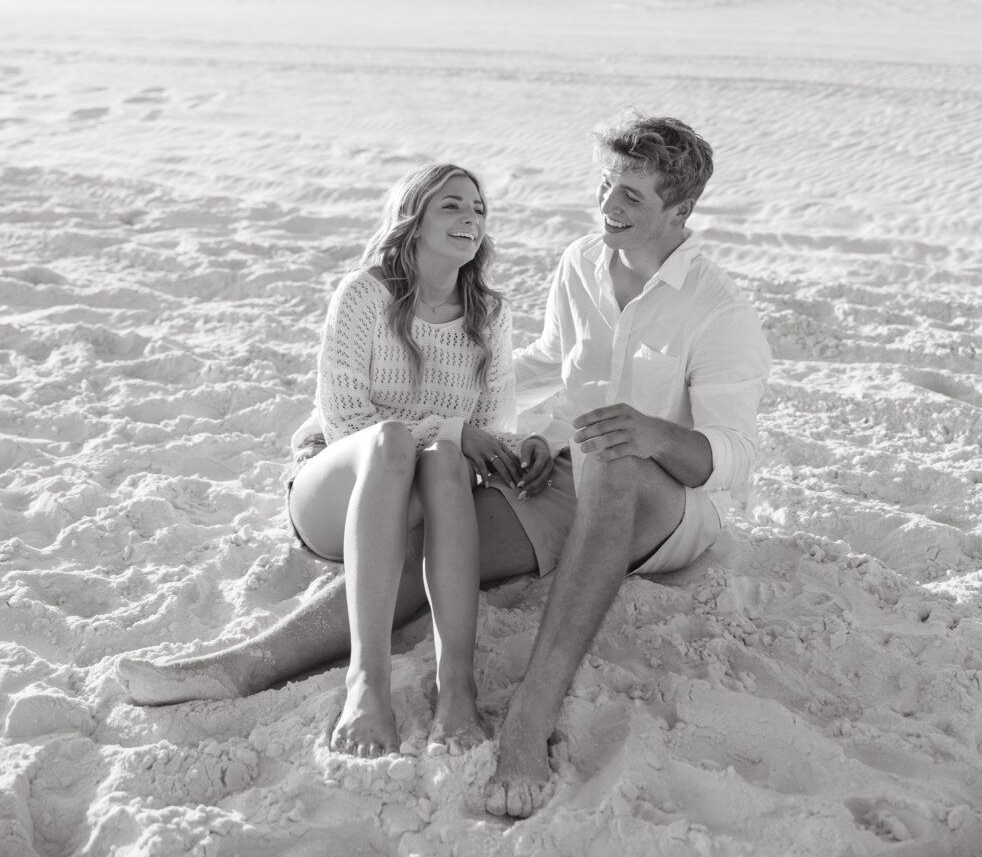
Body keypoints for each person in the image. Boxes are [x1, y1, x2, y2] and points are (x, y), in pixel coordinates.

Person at [116, 161, 560, 757]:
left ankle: (456, 688)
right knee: (393, 442)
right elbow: (347, 421)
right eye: (452, 205)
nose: (470, 218)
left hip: (427, 495)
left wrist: (520, 445)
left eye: (479, 209)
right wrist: (451, 428)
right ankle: (366, 684)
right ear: (415, 218)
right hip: (337, 493)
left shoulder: (491, 314)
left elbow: (491, 429)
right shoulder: (365, 295)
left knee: (450, 463)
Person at [482, 112, 771, 817]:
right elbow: (551, 365)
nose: (607, 204)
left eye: (631, 196)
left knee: (610, 447)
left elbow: (733, 457)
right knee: (452, 513)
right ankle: (244, 668)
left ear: (680, 210)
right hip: (577, 481)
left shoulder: (720, 311)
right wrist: (470, 408)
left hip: (672, 517)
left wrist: (652, 434)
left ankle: (531, 713)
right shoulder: (580, 262)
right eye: (606, 184)